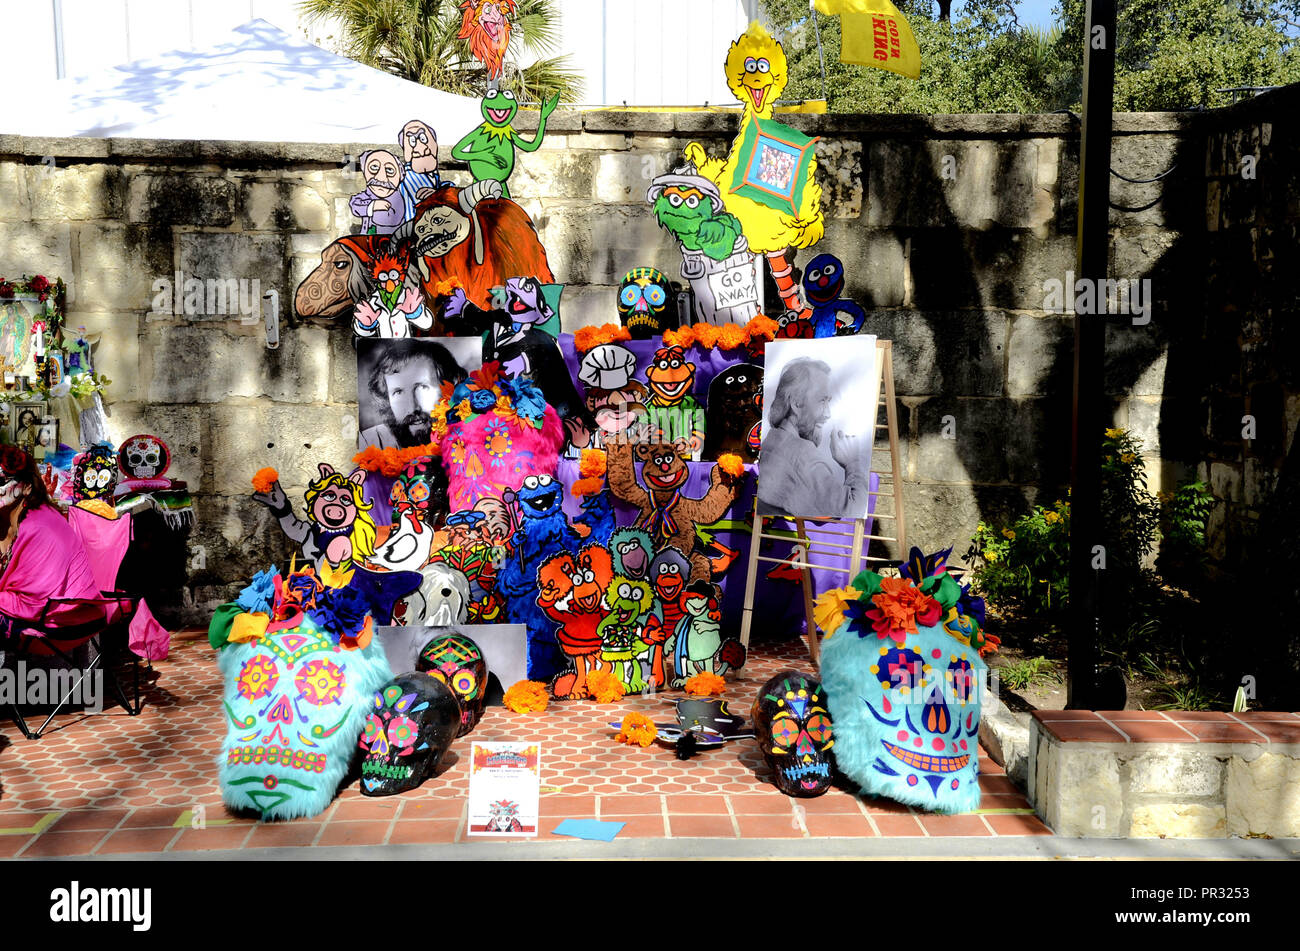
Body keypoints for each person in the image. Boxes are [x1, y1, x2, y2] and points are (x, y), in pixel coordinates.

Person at [0, 445, 99, 640]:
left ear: (27, 487)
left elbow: (36, 603)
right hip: (29, 612)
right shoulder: (6, 521)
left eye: (3, 481)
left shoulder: (41, 526)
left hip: (60, 620)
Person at [757, 357, 869, 518]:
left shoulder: (771, 439)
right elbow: (855, 509)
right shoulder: (803, 455)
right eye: (822, 401)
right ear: (796, 404)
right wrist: (853, 463)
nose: (828, 413)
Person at [359, 340, 466, 449]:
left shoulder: (472, 436)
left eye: (422, 387)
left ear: (450, 388)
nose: (412, 408)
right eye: (398, 392)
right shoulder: (368, 444)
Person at [349, 149, 406, 235]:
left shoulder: (396, 198)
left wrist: (367, 207)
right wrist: (373, 206)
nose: (381, 177)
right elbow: (354, 205)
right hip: (366, 240)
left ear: (400, 176)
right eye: (374, 167)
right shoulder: (369, 193)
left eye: (389, 170)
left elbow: (390, 219)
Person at [397, 119, 442, 222]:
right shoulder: (410, 177)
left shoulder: (432, 174)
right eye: (412, 142)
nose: (421, 149)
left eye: (423, 138)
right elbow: (431, 207)